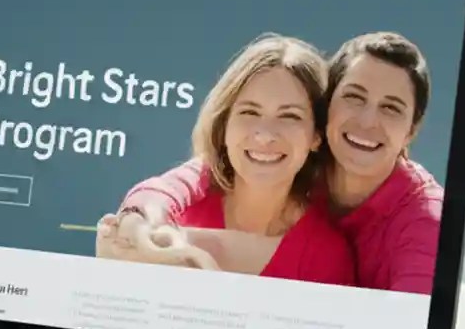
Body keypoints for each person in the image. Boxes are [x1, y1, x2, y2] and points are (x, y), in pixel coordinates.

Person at [106, 31, 442, 294]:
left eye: (391, 108)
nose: (366, 122)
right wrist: (140, 216)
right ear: (328, 116)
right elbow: (182, 180)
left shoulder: (424, 222)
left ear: (412, 130)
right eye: (354, 97)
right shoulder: (292, 163)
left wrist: (196, 267)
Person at [96, 34, 355, 286]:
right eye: (250, 112)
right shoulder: (194, 190)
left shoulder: (326, 257)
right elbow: (157, 194)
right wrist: (138, 223)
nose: (264, 135)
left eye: (289, 116)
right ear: (225, 126)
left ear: (316, 137)